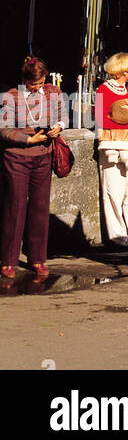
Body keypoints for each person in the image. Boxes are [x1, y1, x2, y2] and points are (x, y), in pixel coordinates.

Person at [1, 56, 64, 280]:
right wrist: (27, 140)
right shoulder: (11, 96)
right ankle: (8, 260)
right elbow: (4, 129)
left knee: (40, 208)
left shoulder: (53, 93)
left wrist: (58, 127)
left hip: (43, 156)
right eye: (32, 85)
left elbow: (62, 116)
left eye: (40, 84)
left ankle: (37, 259)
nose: (37, 88)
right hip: (17, 156)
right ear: (24, 80)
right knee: (15, 207)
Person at [97, 52, 128, 249]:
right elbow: (100, 118)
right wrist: (123, 126)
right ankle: (117, 233)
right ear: (125, 71)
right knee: (113, 189)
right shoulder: (103, 89)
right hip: (111, 142)